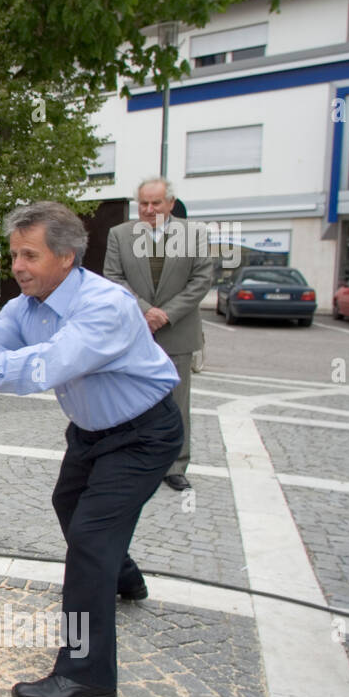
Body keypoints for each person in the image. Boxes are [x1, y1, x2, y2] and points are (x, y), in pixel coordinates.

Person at [0, 201, 181, 697]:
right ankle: (125, 578)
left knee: (90, 540)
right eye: (14, 255)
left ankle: (87, 674)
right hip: (91, 432)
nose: (17, 267)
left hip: (144, 433)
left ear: (67, 257)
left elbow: (46, 364)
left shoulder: (106, 305)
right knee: (70, 508)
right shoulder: (25, 306)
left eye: (29, 256)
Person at [103, 177, 213, 492]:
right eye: (144, 204)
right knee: (130, 399)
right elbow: (112, 278)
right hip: (134, 333)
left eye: (156, 203)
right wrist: (144, 310)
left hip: (176, 331)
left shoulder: (195, 234)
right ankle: (130, 460)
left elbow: (201, 280)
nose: (149, 210)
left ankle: (175, 466)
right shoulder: (119, 235)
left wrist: (166, 313)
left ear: (171, 204)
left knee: (176, 403)